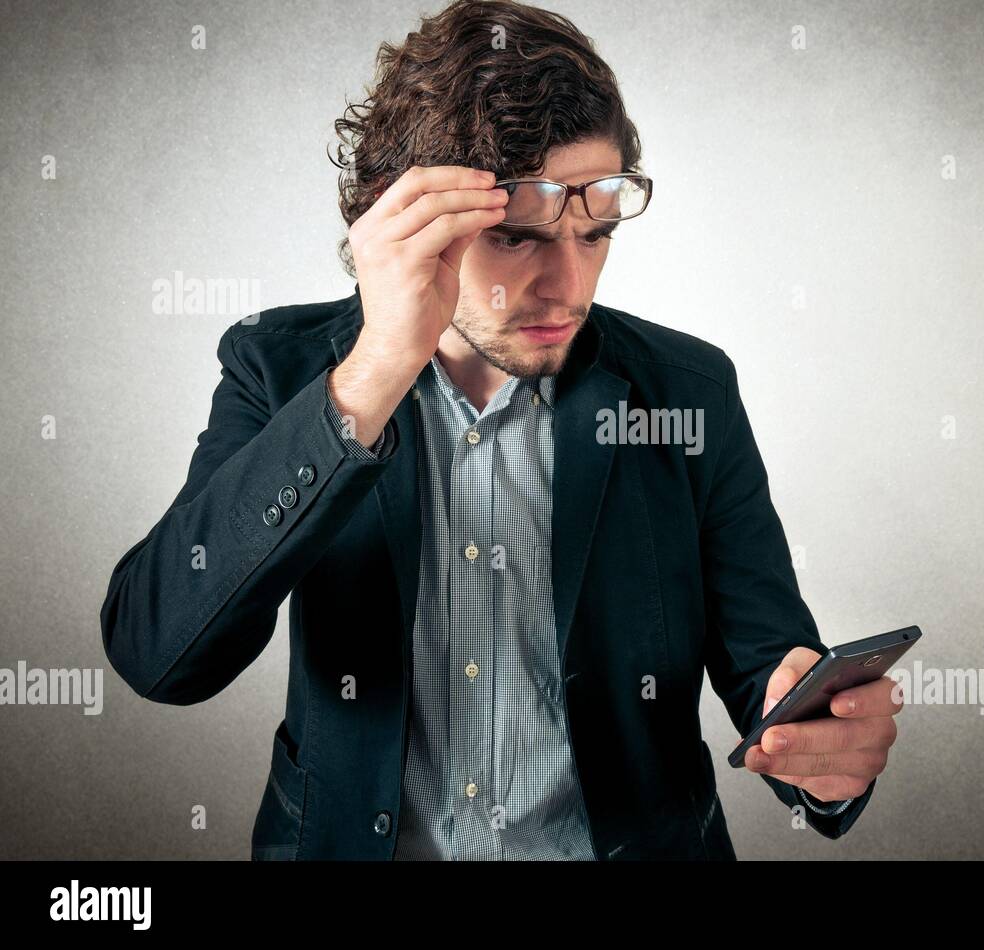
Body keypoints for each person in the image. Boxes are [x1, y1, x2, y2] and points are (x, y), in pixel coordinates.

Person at [99, 0, 901, 860]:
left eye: (595, 236)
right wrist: (372, 374)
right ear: (398, 218)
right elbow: (161, 655)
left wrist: (820, 744)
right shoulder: (280, 370)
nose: (569, 285)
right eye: (517, 239)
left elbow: (767, 667)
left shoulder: (689, 392)